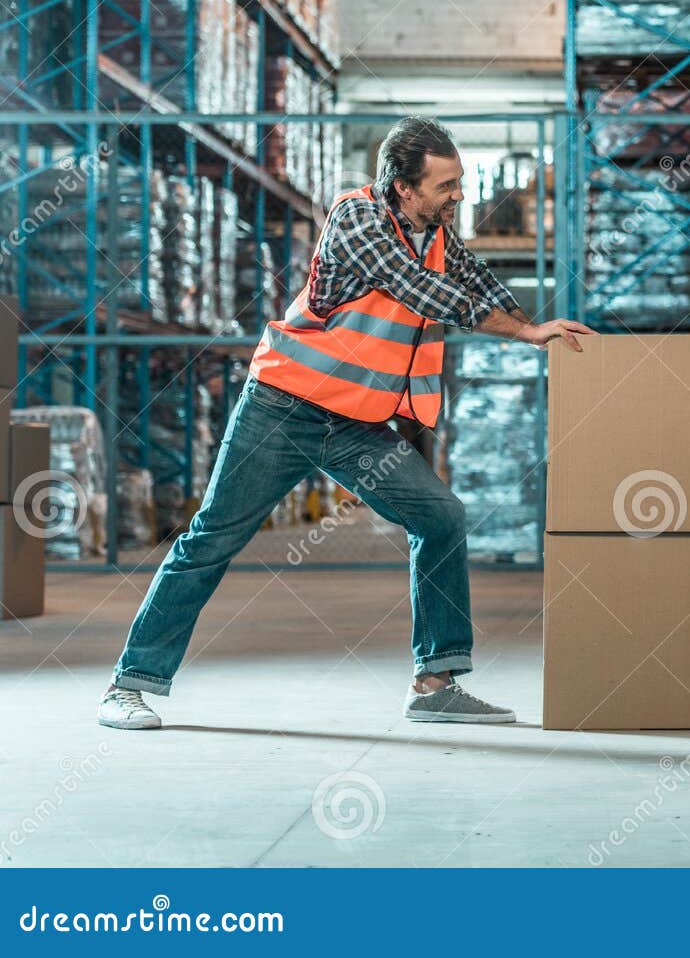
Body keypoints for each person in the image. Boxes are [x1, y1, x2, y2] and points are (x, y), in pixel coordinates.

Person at [99, 117, 595, 730]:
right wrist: (521, 331)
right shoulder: (356, 219)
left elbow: (476, 280)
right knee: (212, 539)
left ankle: (435, 682)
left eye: (459, 182)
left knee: (440, 516)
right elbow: (420, 293)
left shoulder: (436, 231)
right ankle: (131, 682)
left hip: (356, 423)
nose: (458, 196)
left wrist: (537, 329)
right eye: (446, 186)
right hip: (286, 404)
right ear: (402, 188)